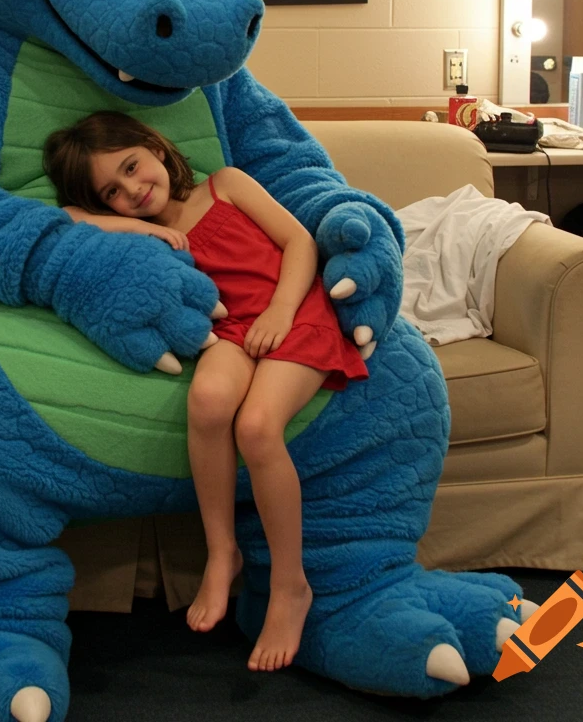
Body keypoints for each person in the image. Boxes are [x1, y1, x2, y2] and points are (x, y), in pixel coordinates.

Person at [43, 111, 368, 672]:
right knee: (209, 400)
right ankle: (223, 553)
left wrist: (283, 310)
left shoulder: (227, 185)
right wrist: (146, 230)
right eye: (113, 193)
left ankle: (292, 586)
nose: (134, 189)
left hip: (293, 313)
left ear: (155, 147)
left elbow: (298, 242)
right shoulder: (148, 233)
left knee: (257, 428)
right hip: (228, 328)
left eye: (132, 166)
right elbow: (69, 218)